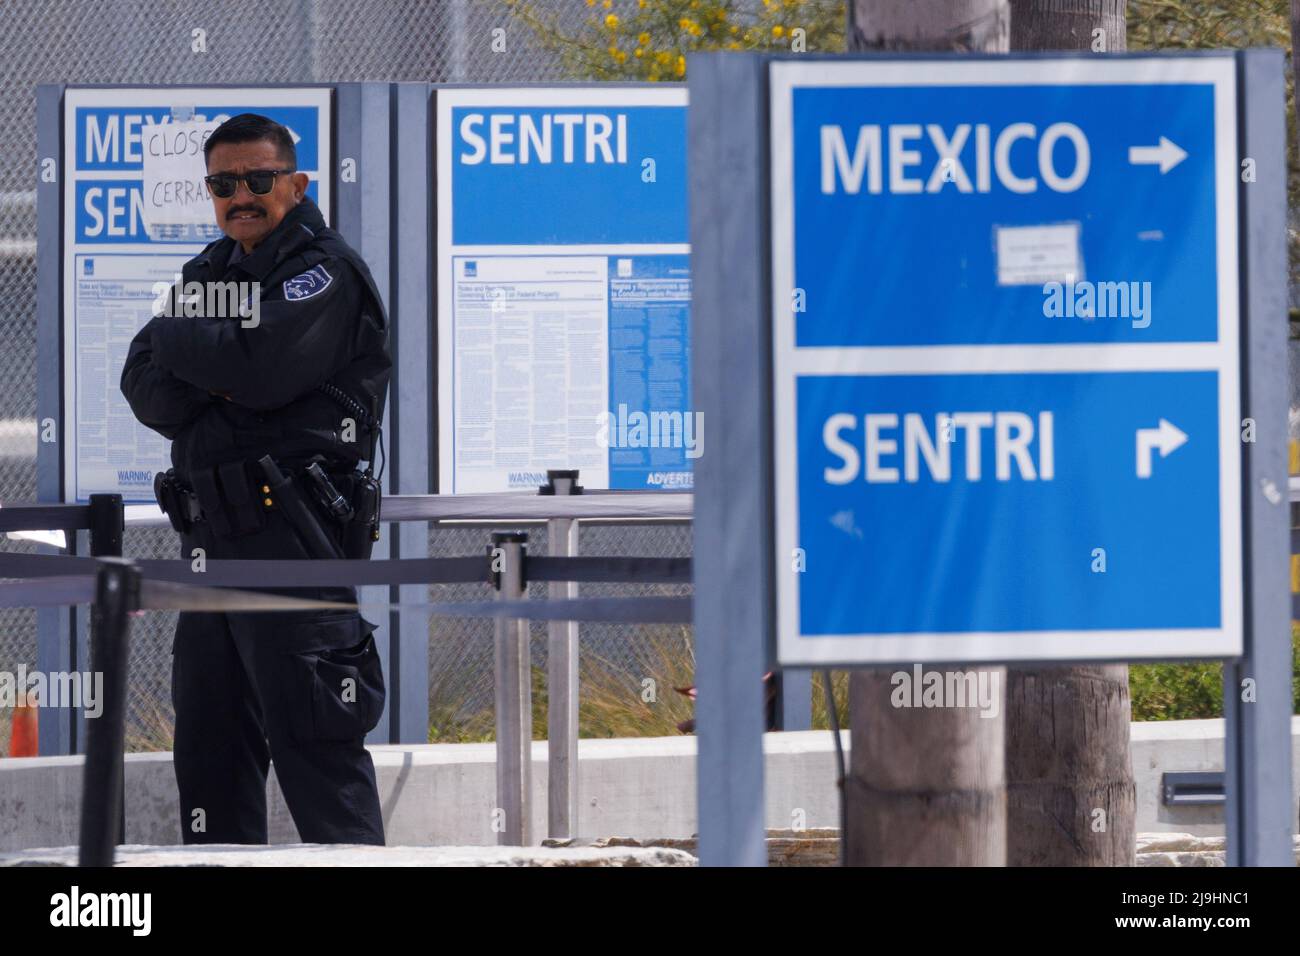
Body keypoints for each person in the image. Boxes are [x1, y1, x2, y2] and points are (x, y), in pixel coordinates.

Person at [120, 113, 391, 845]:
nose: (241, 195)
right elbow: (147, 389)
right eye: (222, 183)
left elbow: (257, 368)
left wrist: (192, 346)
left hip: (292, 544)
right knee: (210, 751)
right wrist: (219, 364)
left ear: (295, 184)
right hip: (209, 545)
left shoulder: (324, 271)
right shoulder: (211, 271)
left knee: (316, 750)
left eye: (258, 180)